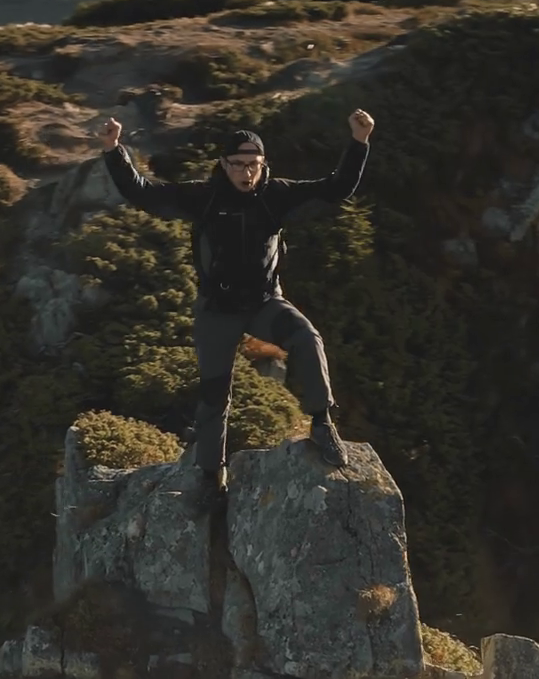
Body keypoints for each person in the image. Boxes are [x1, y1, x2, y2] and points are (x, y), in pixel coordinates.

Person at [97, 108, 375, 511]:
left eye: (254, 165)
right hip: (217, 309)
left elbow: (337, 189)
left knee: (306, 337)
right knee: (214, 396)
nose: (247, 173)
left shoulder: (277, 195)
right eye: (239, 164)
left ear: (264, 165)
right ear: (223, 164)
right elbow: (143, 192)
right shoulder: (203, 196)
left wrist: (359, 142)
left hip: (265, 302)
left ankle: (321, 422)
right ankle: (212, 477)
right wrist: (113, 149)